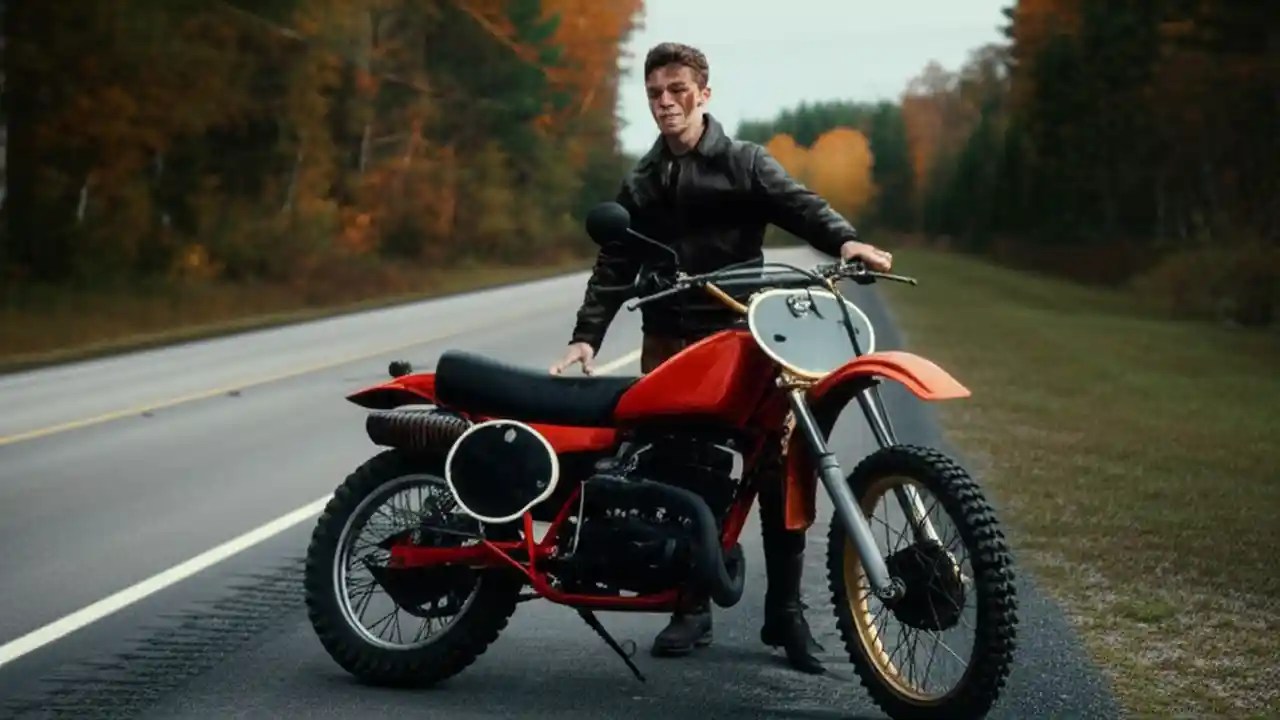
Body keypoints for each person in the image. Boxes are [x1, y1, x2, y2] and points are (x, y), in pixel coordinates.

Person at [549, 42, 893, 674]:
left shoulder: (744, 164)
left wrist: (848, 241)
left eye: (678, 90)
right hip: (668, 341)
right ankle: (691, 606)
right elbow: (615, 263)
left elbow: (801, 206)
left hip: (743, 339)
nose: (665, 103)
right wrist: (587, 336)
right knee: (679, 471)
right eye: (655, 93)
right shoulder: (642, 180)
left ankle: (785, 614)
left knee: (777, 466)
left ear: (704, 93)